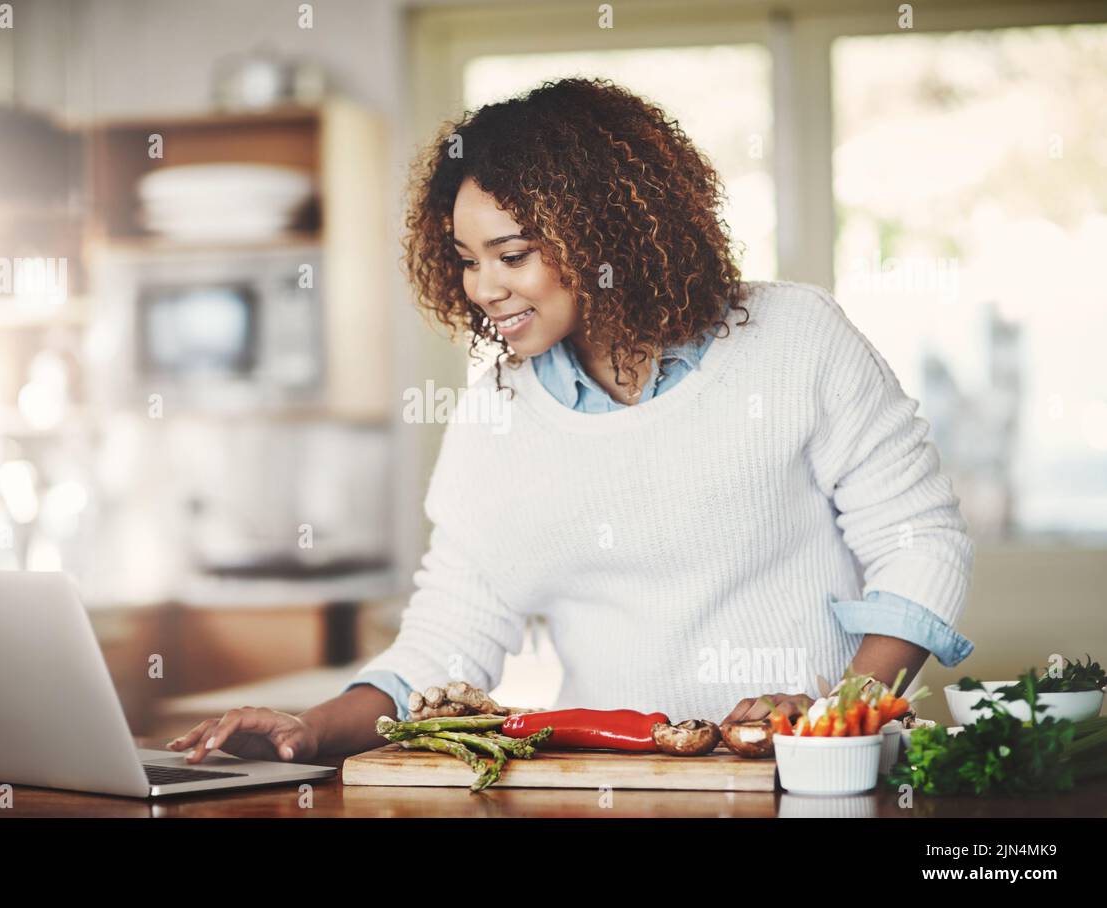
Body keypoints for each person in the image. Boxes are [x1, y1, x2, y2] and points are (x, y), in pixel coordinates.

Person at [168, 77, 974, 764]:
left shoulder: (794, 338)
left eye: (511, 255)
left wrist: (840, 717)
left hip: (813, 782)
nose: (483, 288)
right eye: (467, 259)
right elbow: (449, 634)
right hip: (609, 785)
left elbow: (919, 540)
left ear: (604, 234)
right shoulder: (497, 410)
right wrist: (309, 728)